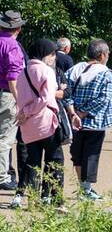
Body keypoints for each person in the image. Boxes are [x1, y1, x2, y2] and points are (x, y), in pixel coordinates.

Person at [66, 39, 112, 200]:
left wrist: (73, 113)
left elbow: (65, 93)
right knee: (91, 154)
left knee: (77, 154)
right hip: (95, 122)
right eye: (107, 54)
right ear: (101, 55)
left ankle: (82, 187)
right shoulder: (105, 72)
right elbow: (104, 99)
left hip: (74, 121)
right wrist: (83, 113)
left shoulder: (75, 69)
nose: (108, 57)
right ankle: (86, 189)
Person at [13, 38, 65, 207]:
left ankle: (34, 200)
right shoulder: (47, 71)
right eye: (52, 54)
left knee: (33, 162)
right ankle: (54, 199)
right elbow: (47, 98)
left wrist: (24, 113)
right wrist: (28, 111)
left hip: (28, 126)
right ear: (45, 54)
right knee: (55, 160)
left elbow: (21, 99)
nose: (53, 58)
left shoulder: (22, 72)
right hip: (46, 123)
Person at [0, 10, 26, 192]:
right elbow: (13, 78)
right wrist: (20, 101)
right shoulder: (12, 46)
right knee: (5, 138)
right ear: (18, 28)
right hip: (6, 95)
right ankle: (2, 176)